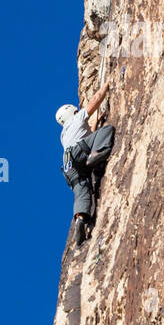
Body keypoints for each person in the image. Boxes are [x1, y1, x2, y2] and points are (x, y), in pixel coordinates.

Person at [56, 83, 116, 245]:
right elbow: (95, 100)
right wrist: (107, 84)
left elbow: (84, 136)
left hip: (69, 167)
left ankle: (80, 218)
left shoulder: (64, 135)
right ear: (73, 112)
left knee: (83, 191)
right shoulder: (76, 118)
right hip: (80, 153)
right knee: (107, 130)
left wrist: (95, 122)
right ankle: (97, 154)